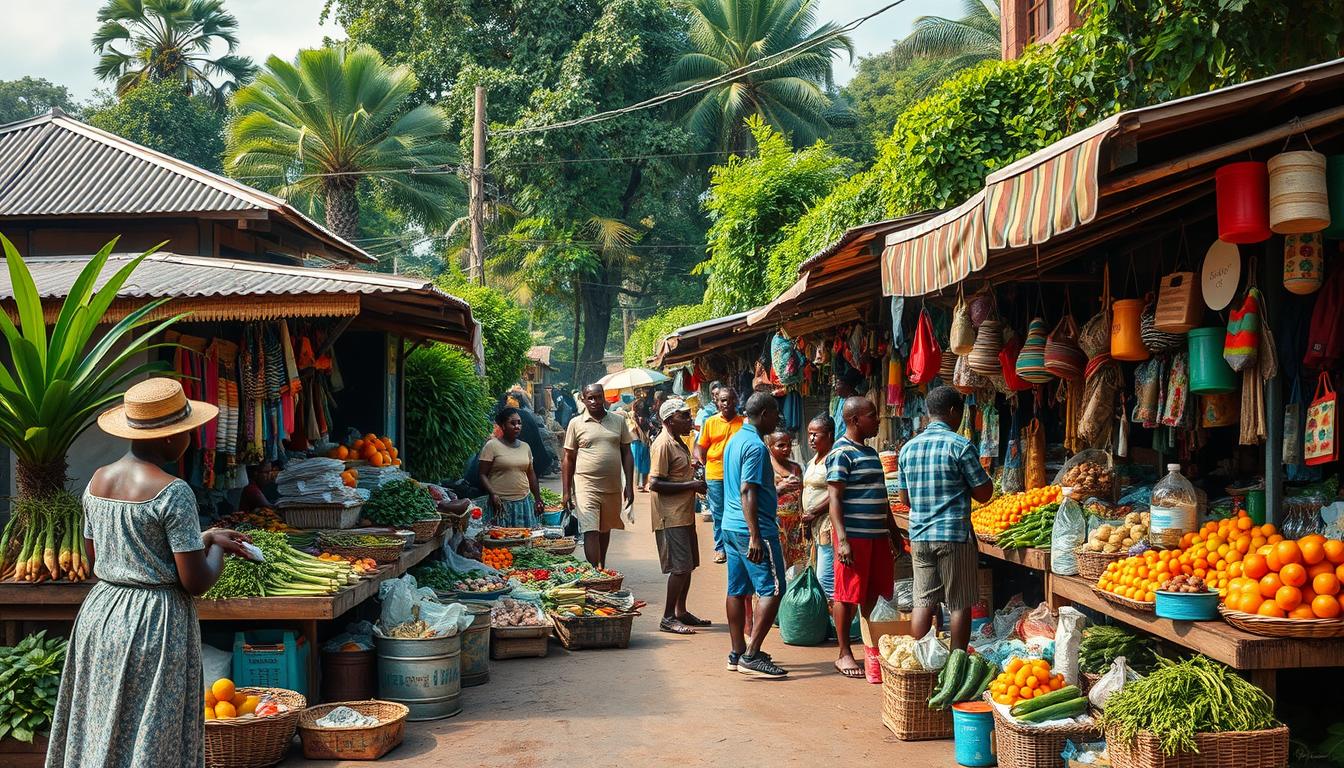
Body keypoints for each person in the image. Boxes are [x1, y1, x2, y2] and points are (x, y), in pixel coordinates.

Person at [46, 378, 252, 767]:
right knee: (152, 726)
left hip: (102, 615)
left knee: (103, 721)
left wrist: (202, 536)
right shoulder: (173, 492)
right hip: (154, 624)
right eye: (187, 431)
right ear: (170, 440)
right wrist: (218, 551)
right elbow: (195, 581)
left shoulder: (98, 481)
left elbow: (101, 554)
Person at [896, 386, 994, 653]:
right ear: (953, 411)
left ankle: (921, 661)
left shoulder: (907, 449)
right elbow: (984, 493)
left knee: (923, 601)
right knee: (959, 603)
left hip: (919, 535)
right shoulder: (960, 446)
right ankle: (956, 663)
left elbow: (905, 499)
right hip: (952, 535)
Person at [827, 396, 902, 679]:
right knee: (846, 595)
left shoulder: (870, 453)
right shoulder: (841, 452)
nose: (877, 420)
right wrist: (843, 539)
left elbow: (881, 498)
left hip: (876, 536)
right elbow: (834, 498)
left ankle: (871, 647)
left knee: (872, 593)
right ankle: (844, 652)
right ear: (855, 420)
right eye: (872, 415)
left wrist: (893, 534)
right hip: (854, 537)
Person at [721, 392, 789, 678]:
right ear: (763, 414)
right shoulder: (756, 447)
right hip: (753, 527)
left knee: (737, 590)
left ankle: (738, 652)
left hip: (730, 525)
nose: (778, 418)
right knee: (772, 589)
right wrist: (755, 536)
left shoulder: (735, 439)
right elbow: (747, 489)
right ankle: (751, 654)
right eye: (775, 413)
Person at [649, 398, 712, 635]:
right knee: (680, 567)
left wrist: (690, 473)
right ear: (669, 421)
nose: (689, 420)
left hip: (682, 513)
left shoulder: (678, 441)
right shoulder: (663, 444)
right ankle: (667, 617)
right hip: (670, 516)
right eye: (683, 416)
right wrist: (691, 485)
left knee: (688, 565)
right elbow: (654, 483)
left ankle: (680, 611)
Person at [563, 384, 635, 568]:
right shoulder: (576, 424)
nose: (595, 401)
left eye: (598, 397)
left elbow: (627, 453)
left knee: (605, 528)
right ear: (583, 400)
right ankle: (593, 571)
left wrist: (629, 485)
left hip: (611, 486)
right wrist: (566, 492)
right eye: (590, 398)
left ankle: (601, 565)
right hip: (586, 485)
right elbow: (568, 458)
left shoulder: (618, 421)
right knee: (590, 529)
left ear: (604, 398)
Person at [694, 387, 743, 564]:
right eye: (722, 400)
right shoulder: (711, 422)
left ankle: (736, 547)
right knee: (719, 512)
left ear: (736, 401)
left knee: (737, 509)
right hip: (715, 473)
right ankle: (720, 548)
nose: (726, 403)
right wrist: (702, 461)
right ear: (717, 402)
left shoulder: (743, 423)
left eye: (729, 400)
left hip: (736, 474)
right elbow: (701, 446)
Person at [478, 407, 545, 528]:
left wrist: (538, 498)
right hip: (500, 504)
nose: (517, 426)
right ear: (503, 426)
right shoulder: (492, 446)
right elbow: (482, 474)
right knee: (501, 539)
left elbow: (531, 474)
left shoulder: (526, 447)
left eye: (519, 423)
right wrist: (493, 494)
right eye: (512, 423)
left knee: (523, 540)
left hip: (524, 502)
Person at [801, 414, 837, 599]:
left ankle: (832, 623)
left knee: (825, 578)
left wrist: (814, 512)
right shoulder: (813, 459)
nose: (811, 439)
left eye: (816, 434)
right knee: (816, 571)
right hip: (814, 524)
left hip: (827, 525)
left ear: (830, 435)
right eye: (809, 434)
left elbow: (836, 493)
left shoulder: (834, 459)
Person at [767, 430, 807, 569]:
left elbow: (803, 493)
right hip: (777, 523)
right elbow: (759, 495)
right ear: (770, 446)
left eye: (789, 445)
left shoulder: (796, 468)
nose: (786, 449)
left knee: (797, 562)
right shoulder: (766, 468)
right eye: (781, 445)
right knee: (778, 561)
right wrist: (779, 489)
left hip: (796, 524)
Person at [831, 369, 865, 440]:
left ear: (847, 386)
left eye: (838, 384)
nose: (835, 388)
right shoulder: (840, 400)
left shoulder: (855, 401)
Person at [630, 398, 653, 492]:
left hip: (642, 441)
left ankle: (642, 484)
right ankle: (639, 484)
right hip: (636, 441)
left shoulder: (644, 418)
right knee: (639, 464)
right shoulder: (632, 416)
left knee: (643, 464)